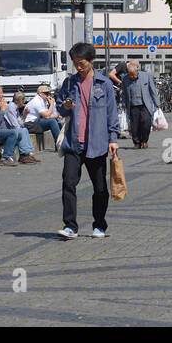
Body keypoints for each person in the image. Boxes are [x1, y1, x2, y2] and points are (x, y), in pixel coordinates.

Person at [56, 42, 119, 238]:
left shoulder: (104, 84)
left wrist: (113, 138)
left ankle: (99, 224)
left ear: (91, 61)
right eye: (75, 63)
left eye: (82, 62)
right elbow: (60, 109)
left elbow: (112, 113)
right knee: (68, 183)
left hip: (97, 143)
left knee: (100, 188)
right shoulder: (69, 83)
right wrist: (65, 105)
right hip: (74, 143)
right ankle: (70, 226)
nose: (78, 67)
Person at [0, 85, 39, 165]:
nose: (2, 95)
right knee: (13, 133)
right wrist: (2, 110)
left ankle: (24, 155)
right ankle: (5, 158)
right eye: (0, 93)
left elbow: (1, 122)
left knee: (19, 132)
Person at [122, 60, 161, 149]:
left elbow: (152, 90)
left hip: (145, 104)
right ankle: (136, 142)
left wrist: (157, 103)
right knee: (134, 126)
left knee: (146, 123)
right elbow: (124, 93)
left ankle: (144, 141)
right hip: (132, 105)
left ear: (137, 71)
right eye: (130, 75)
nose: (132, 77)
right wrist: (123, 103)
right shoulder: (125, 79)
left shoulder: (146, 76)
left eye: (133, 74)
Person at [23, 83, 63, 149]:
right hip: (30, 124)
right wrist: (52, 104)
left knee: (56, 120)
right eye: (46, 93)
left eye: (49, 93)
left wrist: (57, 116)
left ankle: (61, 141)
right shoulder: (37, 101)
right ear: (40, 94)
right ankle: (59, 144)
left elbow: (48, 114)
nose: (48, 95)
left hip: (35, 122)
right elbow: (47, 116)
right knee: (52, 121)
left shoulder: (43, 101)